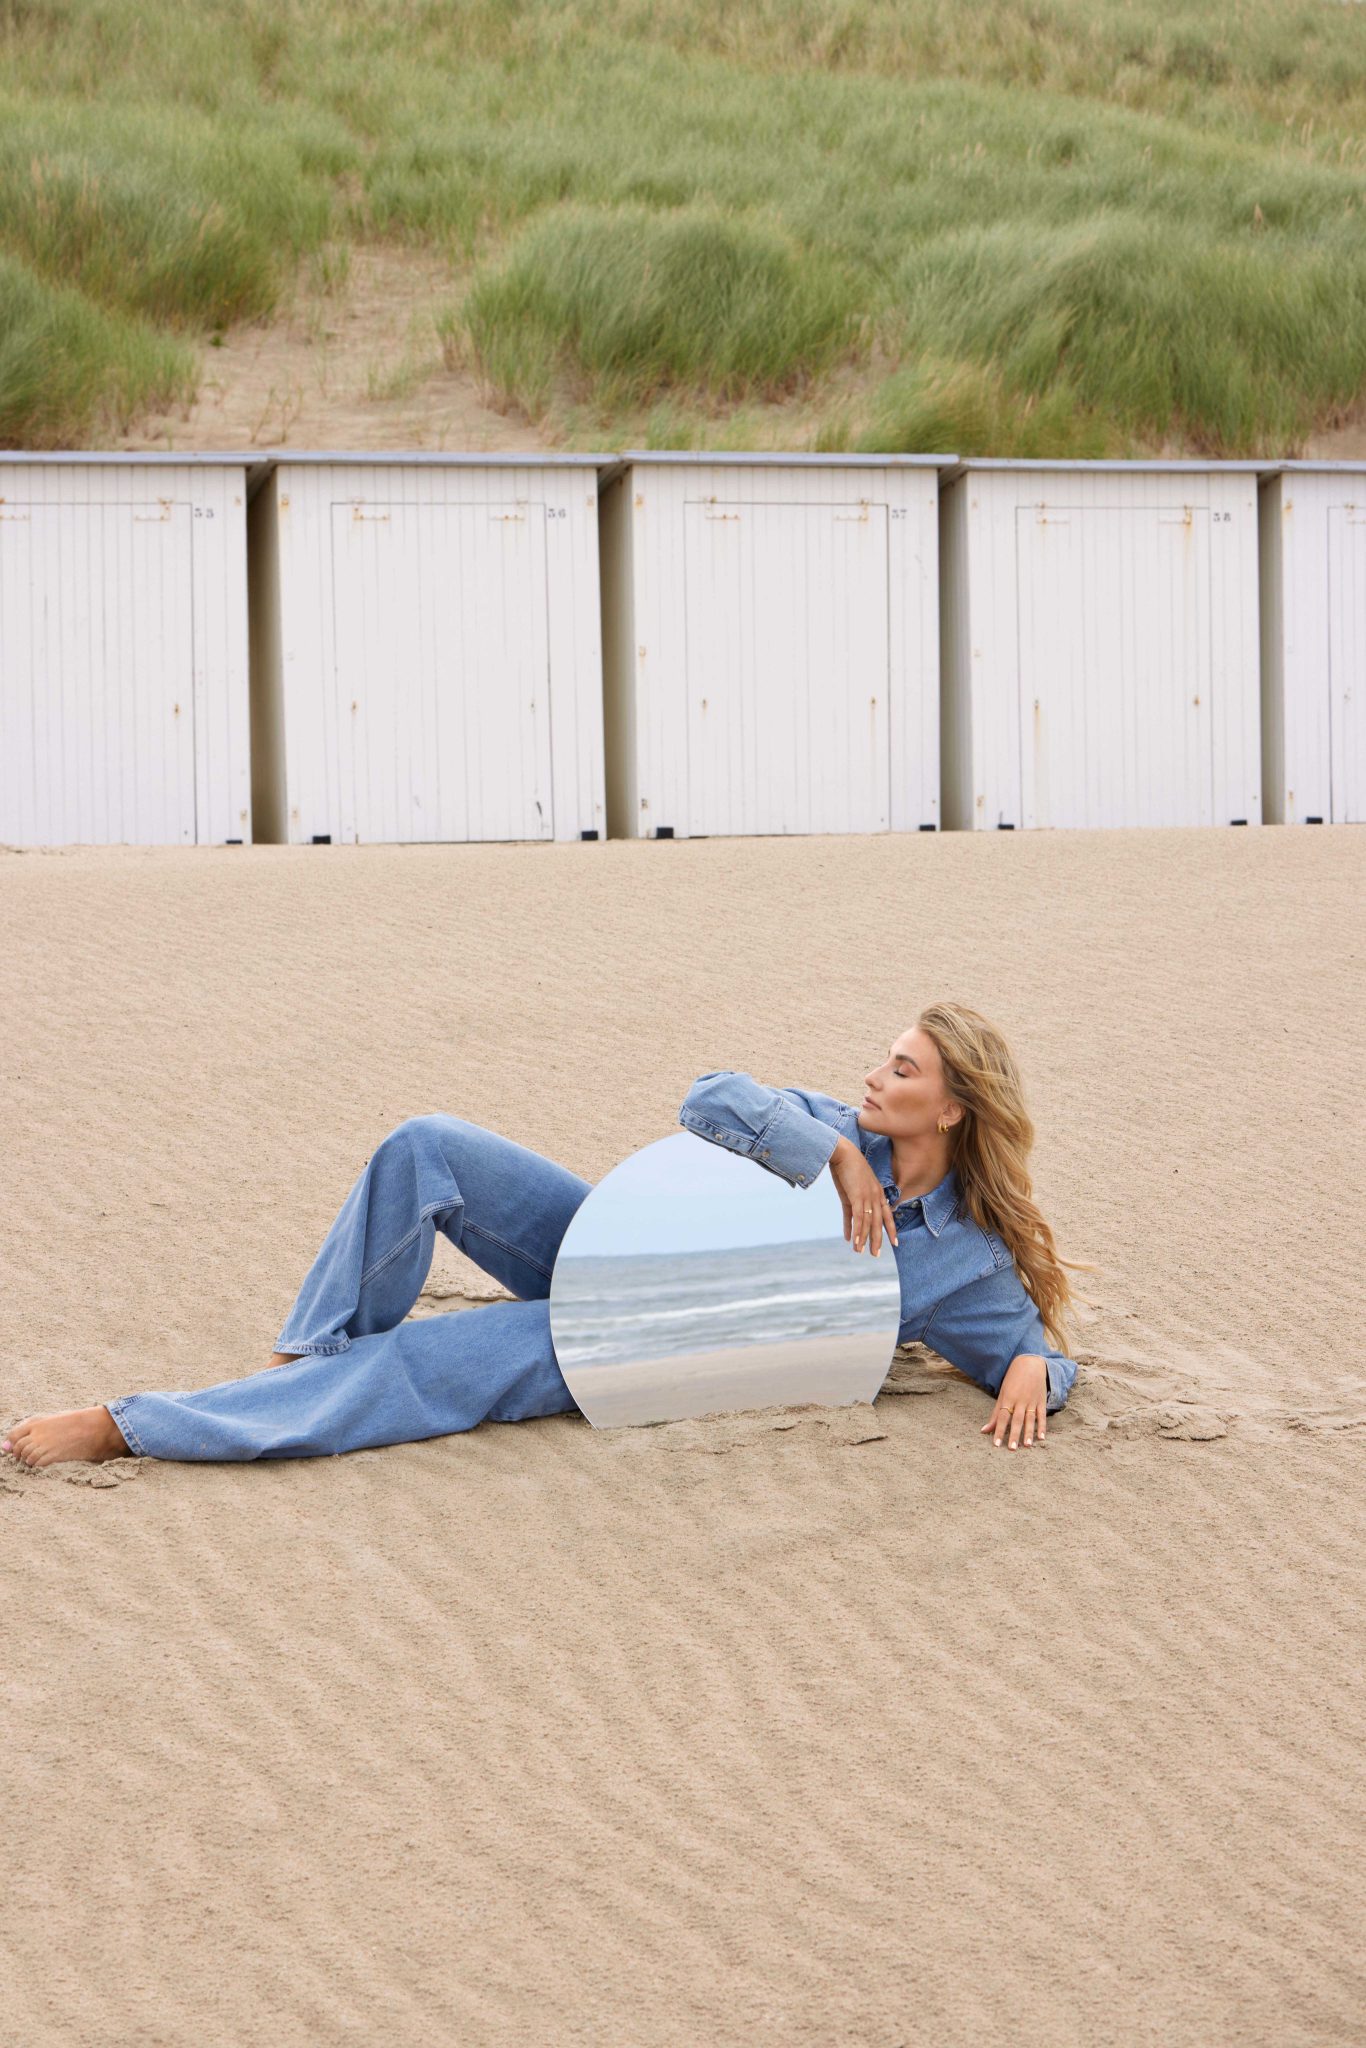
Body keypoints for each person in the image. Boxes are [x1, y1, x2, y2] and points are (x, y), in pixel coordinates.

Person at [3, 1001, 1090, 1468]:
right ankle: (306, 1358)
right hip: (624, 1243)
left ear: (954, 1108)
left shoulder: (965, 1257)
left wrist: (1033, 1368)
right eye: (883, 1058)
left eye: (901, 1070)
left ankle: (132, 1427)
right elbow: (709, 1096)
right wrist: (833, 1155)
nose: (873, 1077)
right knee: (427, 1146)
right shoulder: (832, 1125)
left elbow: (1029, 1349)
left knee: (420, 1363)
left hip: (645, 1341)